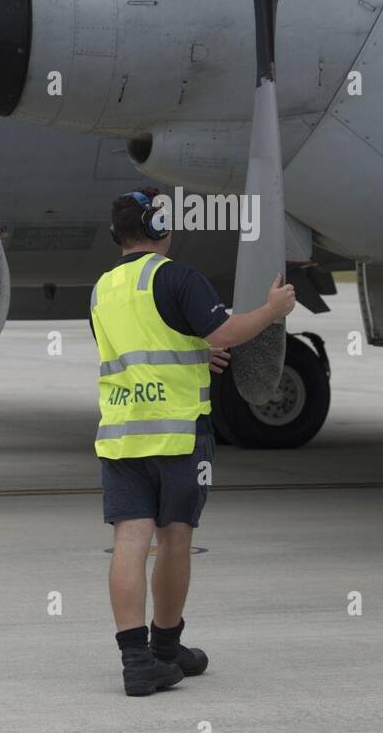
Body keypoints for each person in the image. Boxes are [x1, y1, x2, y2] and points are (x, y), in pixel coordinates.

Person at [90, 189, 296, 696]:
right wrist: (271, 311)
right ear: (163, 227)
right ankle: (165, 644)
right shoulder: (176, 276)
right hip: (178, 434)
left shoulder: (102, 289)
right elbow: (226, 332)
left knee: (129, 542)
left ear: (118, 234)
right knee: (174, 538)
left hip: (120, 436)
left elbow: (140, 347)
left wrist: (192, 355)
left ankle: (136, 661)